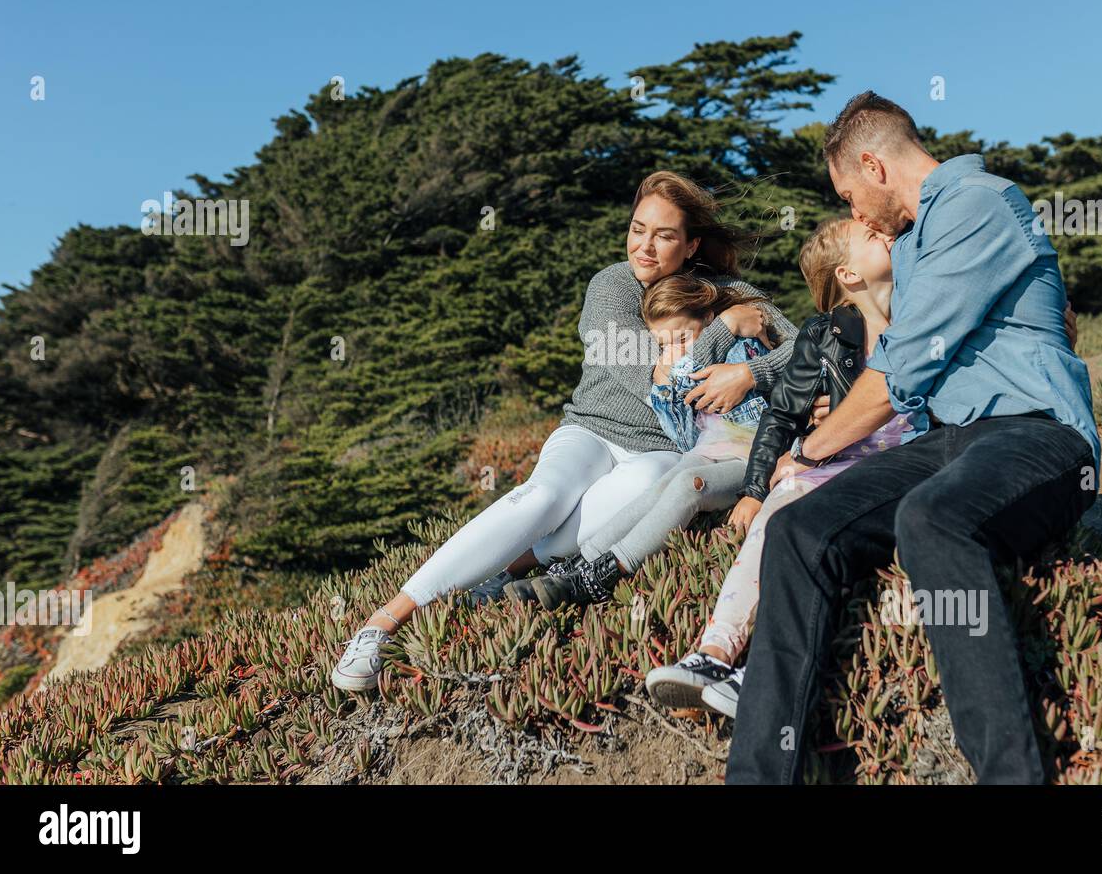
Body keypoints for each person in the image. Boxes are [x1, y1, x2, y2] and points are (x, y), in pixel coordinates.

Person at [725, 91, 1100, 785]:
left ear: (873, 164)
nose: (855, 214)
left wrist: (806, 452)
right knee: (800, 532)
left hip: (1035, 435)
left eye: (849, 194)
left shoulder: (978, 203)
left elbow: (905, 364)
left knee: (930, 519)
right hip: (948, 440)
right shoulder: (917, 238)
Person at [331, 171, 799, 692]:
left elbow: (804, 350)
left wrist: (750, 372)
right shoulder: (613, 285)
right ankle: (382, 623)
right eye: (637, 228)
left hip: (666, 450)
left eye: (664, 235)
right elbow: (656, 376)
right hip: (592, 432)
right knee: (543, 496)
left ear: (691, 244)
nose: (644, 246)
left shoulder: (729, 291)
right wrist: (728, 330)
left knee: (643, 484)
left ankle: (511, 570)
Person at [644, 217, 912, 716]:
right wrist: (753, 488)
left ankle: (762, 668)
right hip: (829, 459)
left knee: (809, 529)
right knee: (779, 505)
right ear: (849, 275)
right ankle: (713, 653)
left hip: (902, 465)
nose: (884, 234)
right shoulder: (825, 334)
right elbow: (782, 414)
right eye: (869, 236)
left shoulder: (929, 316)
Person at [505, 271, 776, 609]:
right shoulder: (693, 353)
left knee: (688, 487)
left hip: (758, 457)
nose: (675, 351)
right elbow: (682, 430)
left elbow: (697, 369)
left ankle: (599, 578)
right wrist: (666, 384)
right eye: (665, 344)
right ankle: (574, 567)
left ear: (709, 319)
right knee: (663, 485)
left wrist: (723, 328)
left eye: (683, 338)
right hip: (711, 450)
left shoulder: (742, 347)